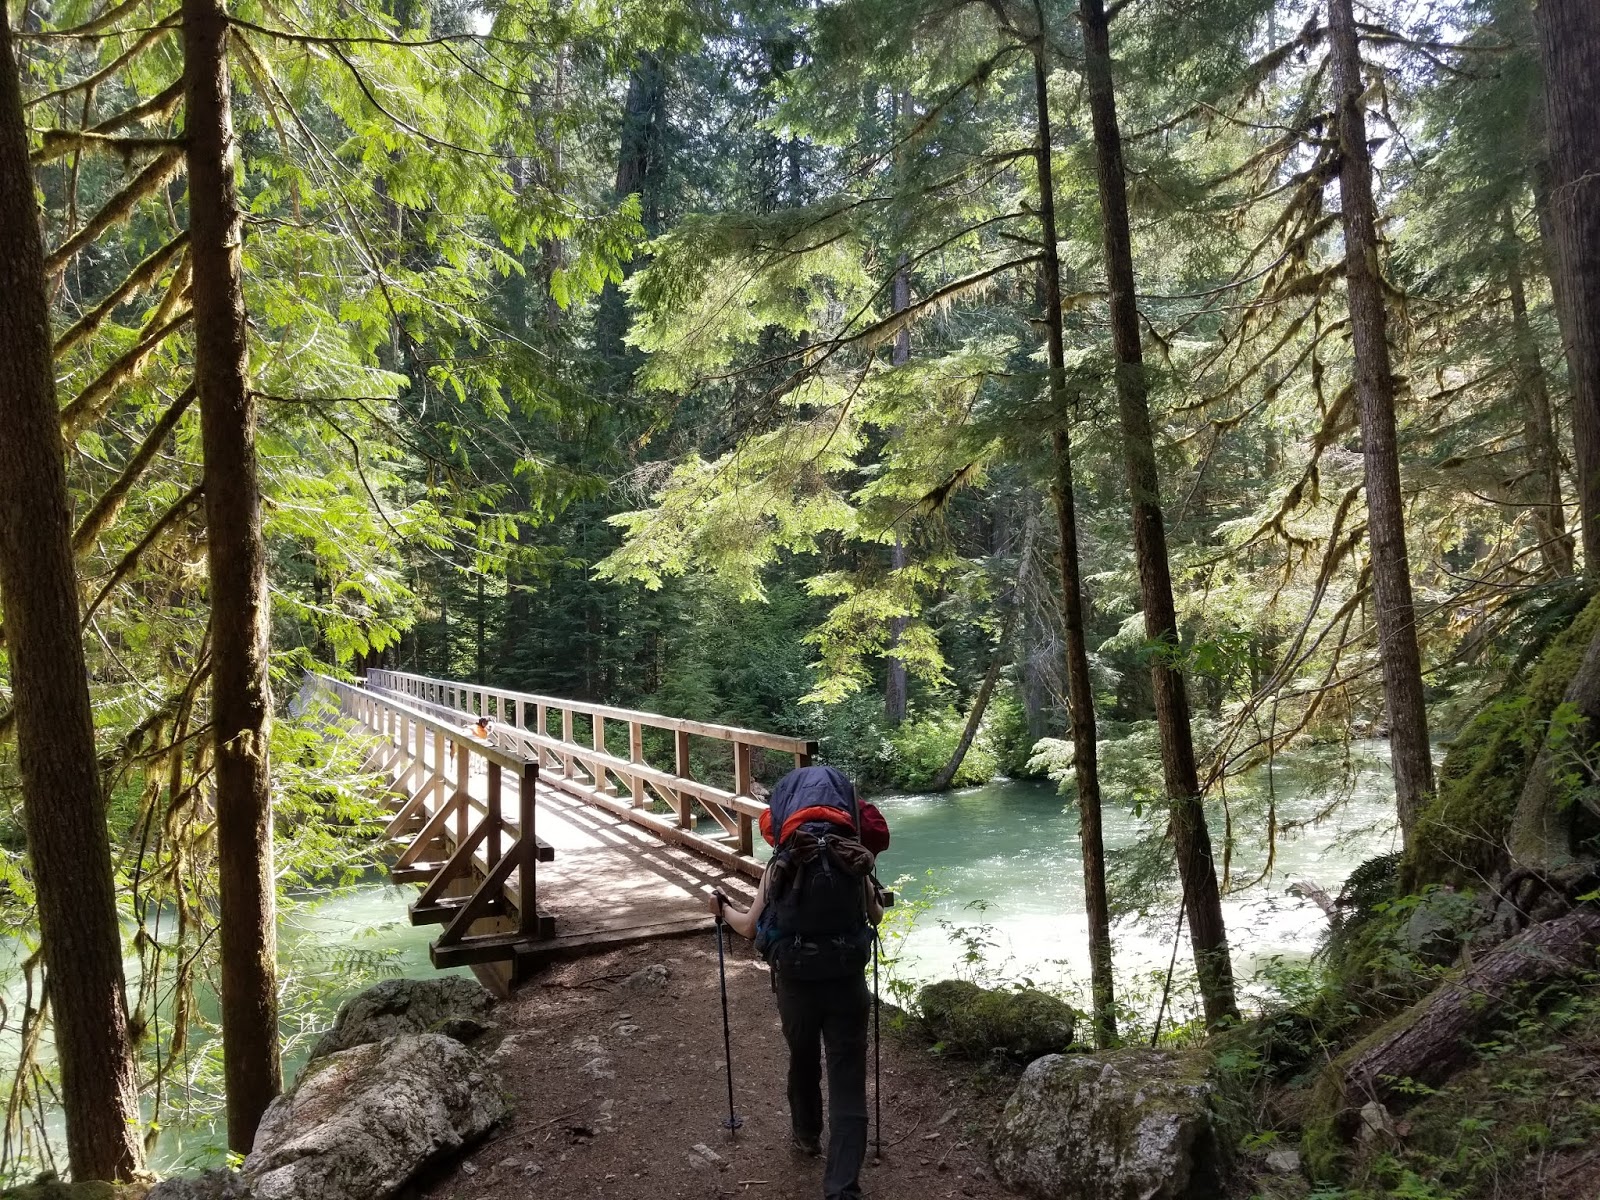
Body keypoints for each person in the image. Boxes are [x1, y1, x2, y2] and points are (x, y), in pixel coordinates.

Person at [707, 765, 884, 1200]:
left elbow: (748, 927)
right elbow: (876, 917)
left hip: (797, 983)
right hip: (847, 982)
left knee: (803, 1059)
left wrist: (720, 909)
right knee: (848, 1076)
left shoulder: (784, 860)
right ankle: (842, 1186)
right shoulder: (851, 856)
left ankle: (806, 1135)